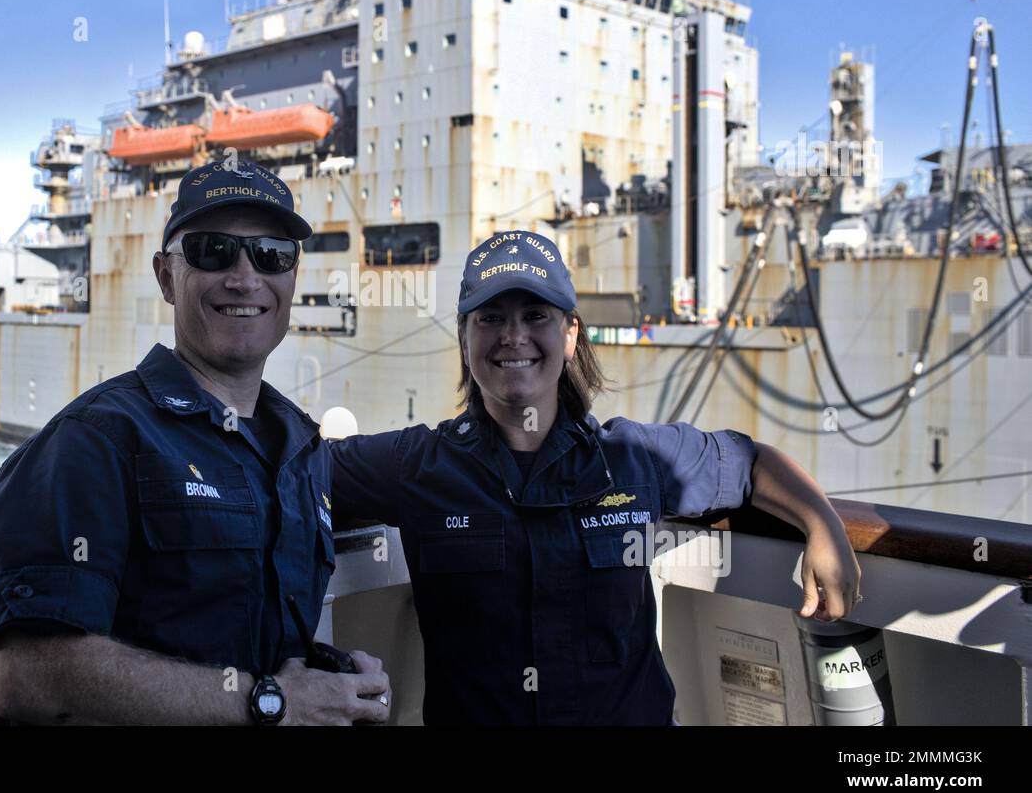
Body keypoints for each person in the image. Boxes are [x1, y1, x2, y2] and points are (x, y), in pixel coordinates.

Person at [329, 229, 860, 725]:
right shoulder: (415, 467)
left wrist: (823, 525)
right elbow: (297, 468)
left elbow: (751, 463)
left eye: (536, 315)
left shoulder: (637, 458)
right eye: (489, 318)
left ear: (569, 333)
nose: (513, 337)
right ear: (465, 338)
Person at [0, 157, 390, 725]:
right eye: (212, 251)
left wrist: (327, 679)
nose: (244, 278)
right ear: (166, 276)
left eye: (272, 255)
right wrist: (270, 702)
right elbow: (25, 674)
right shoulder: (93, 441)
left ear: (292, 277)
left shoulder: (302, 450)